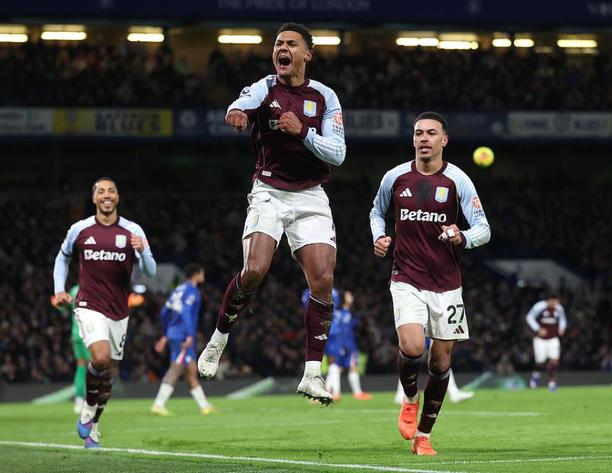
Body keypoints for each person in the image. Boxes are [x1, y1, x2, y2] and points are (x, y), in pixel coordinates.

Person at [198, 22, 346, 406]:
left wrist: (303, 132)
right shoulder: (265, 87)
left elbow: (338, 153)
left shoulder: (325, 96)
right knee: (253, 271)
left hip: (311, 196)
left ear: (307, 54)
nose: (282, 48)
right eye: (278, 43)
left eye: (291, 44)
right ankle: (218, 340)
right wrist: (236, 112)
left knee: (323, 279)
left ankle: (312, 375)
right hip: (269, 192)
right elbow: (241, 103)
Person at [370, 112, 490, 456]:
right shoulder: (395, 177)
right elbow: (376, 212)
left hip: (447, 284)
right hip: (406, 276)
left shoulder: (458, 180)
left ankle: (423, 436)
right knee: (412, 347)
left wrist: (462, 236)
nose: (424, 138)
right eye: (418, 133)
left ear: (444, 140)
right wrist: (379, 236)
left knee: (440, 363)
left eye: (431, 133)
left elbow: (483, 229)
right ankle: (410, 398)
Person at [53, 177, 156, 449]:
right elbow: (62, 258)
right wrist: (59, 289)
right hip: (89, 305)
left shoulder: (133, 230)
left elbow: (151, 271)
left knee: (108, 373)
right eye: (101, 191)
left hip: (119, 311)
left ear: (118, 197)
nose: (106, 195)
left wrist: (143, 251)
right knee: (99, 358)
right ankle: (87, 410)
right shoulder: (80, 229)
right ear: (94, 198)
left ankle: (94, 426)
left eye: (111, 191)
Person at [151, 263, 215, 415]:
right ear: (196, 274)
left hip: (175, 333)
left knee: (191, 371)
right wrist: (190, 335)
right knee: (176, 368)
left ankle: (204, 406)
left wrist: (165, 334)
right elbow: (186, 312)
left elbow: (164, 312)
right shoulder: (192, 291)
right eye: (202, 273)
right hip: (183, 335)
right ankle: (158, 404)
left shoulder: (177, 290)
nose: (203, 275)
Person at [304, 289, 372, 401]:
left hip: (343, 342)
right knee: (338, 367)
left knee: (339, 367)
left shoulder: (347, 313)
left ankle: (332, 392)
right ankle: (335, 393)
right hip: (341, 343)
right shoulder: (340, 314)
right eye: (349, 296)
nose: (352, 297)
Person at [51, 284, 90, 413]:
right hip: (88, 334)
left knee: (81, 367)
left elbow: (61, 307)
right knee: (93, 368)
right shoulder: (91, 287)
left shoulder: (74, 290)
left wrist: (56, 304)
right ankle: (91, 401)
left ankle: (79, 400)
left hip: (75, 334)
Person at [526, 295, 567, 391]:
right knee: (540, 362)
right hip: (540, 340)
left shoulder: (559, 308)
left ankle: (552, 383)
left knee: (554, 361)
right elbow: (529, 317)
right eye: (555, 302)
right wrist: (538, 329)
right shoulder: (539, 306)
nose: (556, 304)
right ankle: (535, 376)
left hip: (553, 339)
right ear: (550, 300)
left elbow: (562, 319)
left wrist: (562, 328)